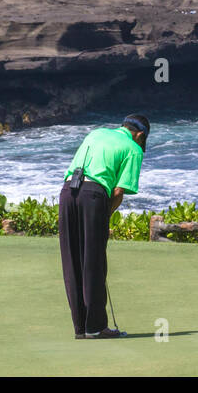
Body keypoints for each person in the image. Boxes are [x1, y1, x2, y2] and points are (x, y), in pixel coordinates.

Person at [60, 114, 147, 339]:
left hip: (68, 192)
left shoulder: (96, 132)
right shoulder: (134, 148)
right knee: (94, 261)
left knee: (72, 260)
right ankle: (96, 328)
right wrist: (104, 215)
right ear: (139, 135)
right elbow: (118, 191)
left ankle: (81, 328)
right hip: (94, 196)